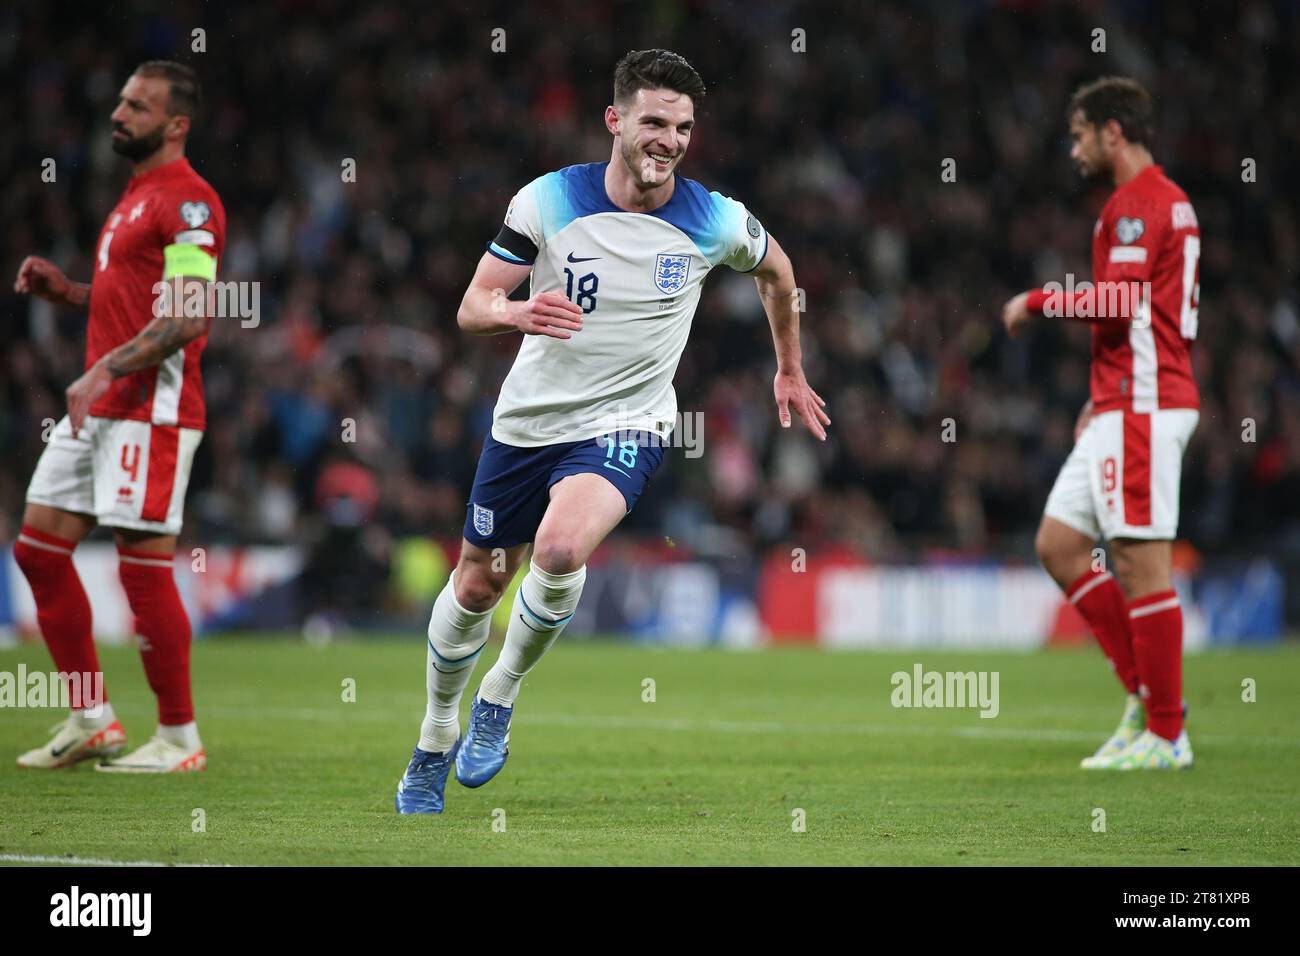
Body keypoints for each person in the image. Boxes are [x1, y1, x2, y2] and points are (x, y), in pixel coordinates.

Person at [396, 48, 829, 812]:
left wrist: (788, 365)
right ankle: (433, 738)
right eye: (655, 122)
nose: (669, 139)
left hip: (627, 421)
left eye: (684, 127)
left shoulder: (714, 219)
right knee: (478, 584)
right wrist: (514, 313)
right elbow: (471, 306)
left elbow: (780, 274)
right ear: (616, 120)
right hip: (528, 422)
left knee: (560, 549)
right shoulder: (548, 201)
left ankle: (498, 695)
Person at [12, 60, 225, 772]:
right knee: (37, 554)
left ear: (176, 125)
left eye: (137, 105)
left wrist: (105, 366)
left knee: (142, 572)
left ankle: (178, 738)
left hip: (149, 410)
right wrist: (70, 292)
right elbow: (135, 303)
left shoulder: (188, 201)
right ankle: (91, 718)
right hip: (100, 405)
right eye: (121, 99)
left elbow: (191, 317)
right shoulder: (136, 196)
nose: (118, 112)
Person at [1002, 76, 1200, 770]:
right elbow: (1142, 312)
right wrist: (1103, 390)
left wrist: (1035, 299)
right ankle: (1146, 700)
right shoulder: (1151, 203)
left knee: (1142, 568)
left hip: (1145, 405)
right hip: (1124, 400)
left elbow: (1117, 302)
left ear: (1113, 131)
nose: (1075, 147)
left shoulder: (1139, 204)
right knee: (1059, 544)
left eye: (1081, 133)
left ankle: (1167, 734)